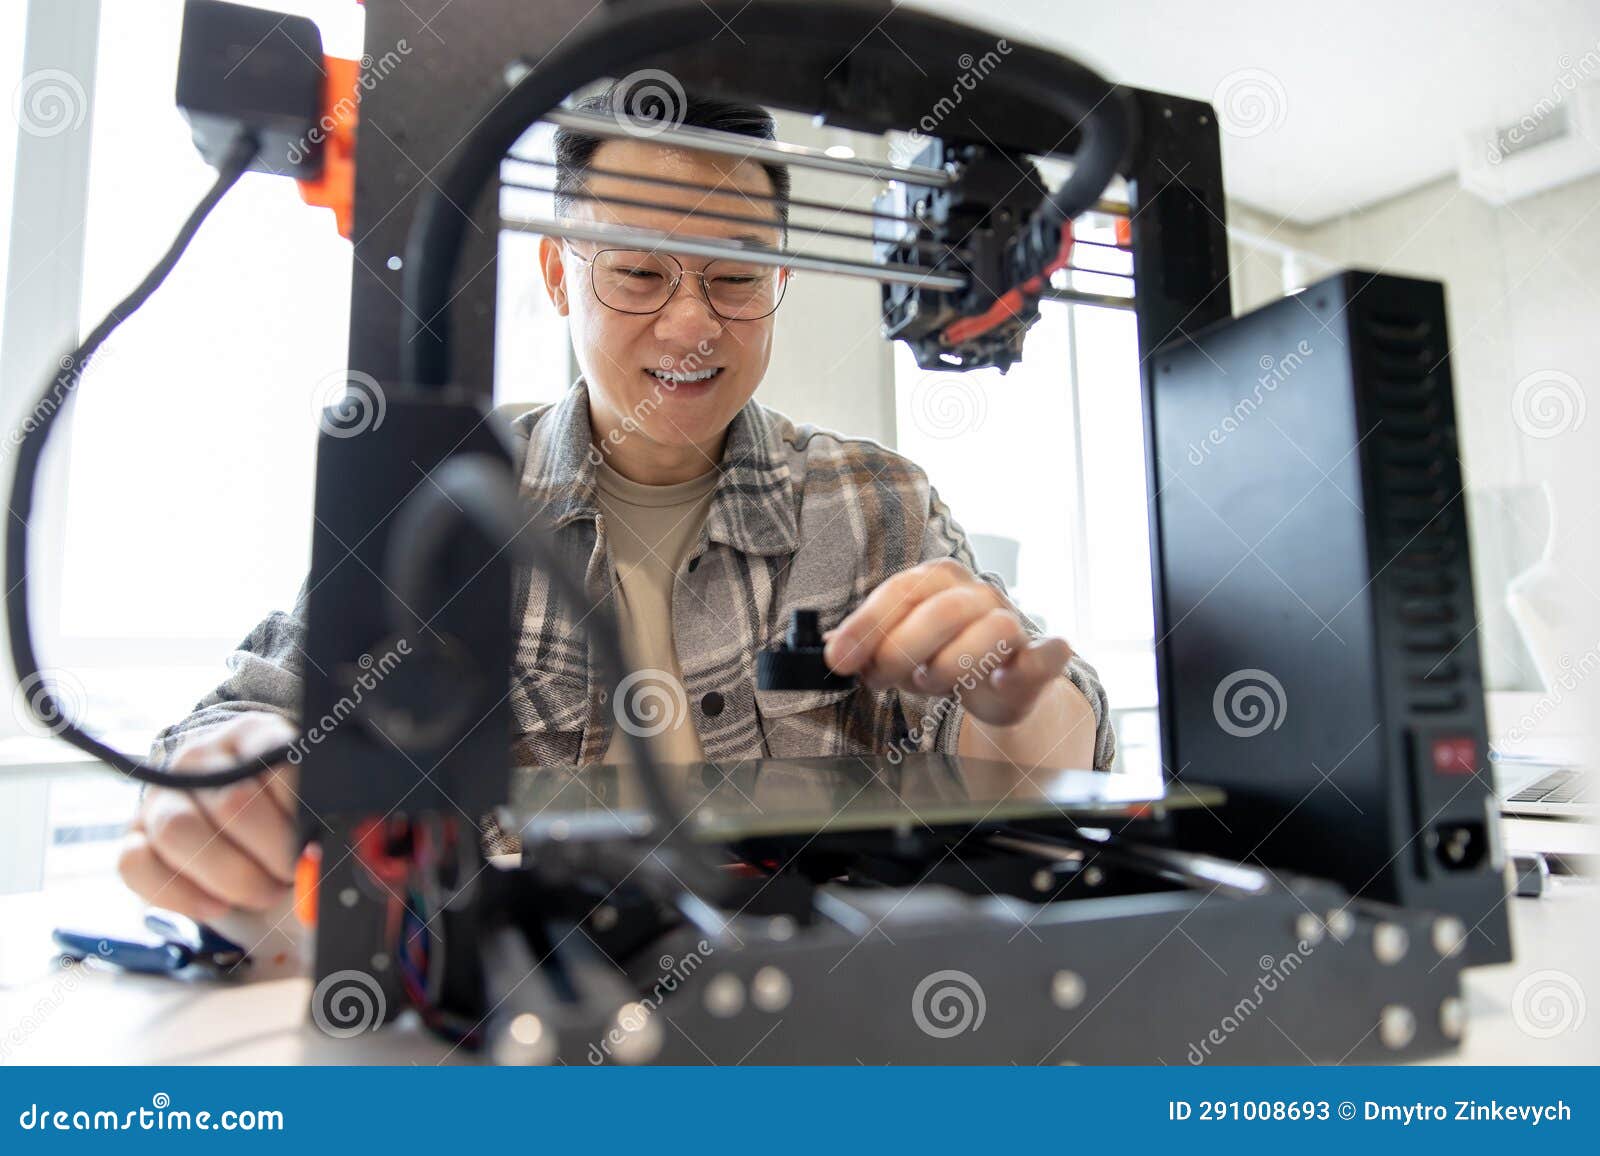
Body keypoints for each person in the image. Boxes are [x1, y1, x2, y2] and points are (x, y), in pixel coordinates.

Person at [117, 88, 1115, 925]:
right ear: (558, 272)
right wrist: (240, 774)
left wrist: (1013, 702)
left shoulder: (878, 505)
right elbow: (240, 715)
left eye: (732, 276)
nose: (691, 322)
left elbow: (1065, 767)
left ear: (781, 275)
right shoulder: (447, 498)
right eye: (638, 271)